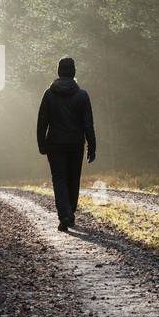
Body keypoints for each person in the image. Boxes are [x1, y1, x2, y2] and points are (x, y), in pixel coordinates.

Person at [36, 56, 96, 232]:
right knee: (73, 178)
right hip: (76, 144)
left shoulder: (49, 94)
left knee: (59, 178)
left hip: (55, 144)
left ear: (58, 72)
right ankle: (69, 213)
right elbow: (88, 124)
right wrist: (92, 146)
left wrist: (41, 143)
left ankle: (65, 215)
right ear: (74, 72)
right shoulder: (82, 95)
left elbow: (42, 122)